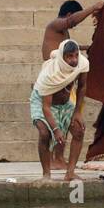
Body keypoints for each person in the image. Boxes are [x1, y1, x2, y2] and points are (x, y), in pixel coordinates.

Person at [31, 39, 89, 181]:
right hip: (43, 103)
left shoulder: (82, 64)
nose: (74, 60)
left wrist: (77, 112)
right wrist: (56, 130)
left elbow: (82, 87)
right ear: (62, 57)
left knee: (79, 131)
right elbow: (46, 107)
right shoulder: (49, 73)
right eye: (70, 56)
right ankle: (46, 175)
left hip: (65, 103)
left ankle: (70, 173)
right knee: (45, 134)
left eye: (76, 55)